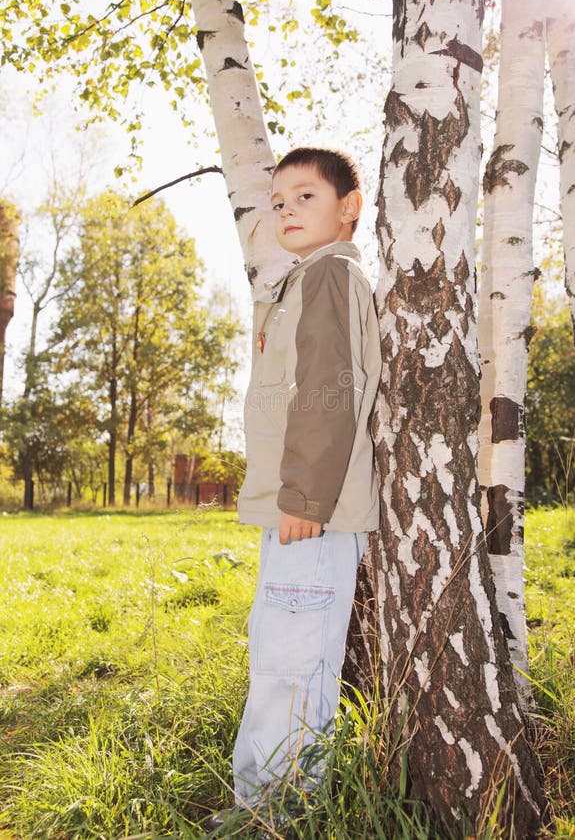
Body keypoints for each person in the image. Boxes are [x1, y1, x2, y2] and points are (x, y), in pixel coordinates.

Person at [212, 147, 381, 826]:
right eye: (278, 202)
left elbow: (327, 392)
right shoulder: (304, 280)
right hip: (297, 509)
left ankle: (279, 814)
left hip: (312, 513)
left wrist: (305, 497)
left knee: (292, 663)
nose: (287, 210)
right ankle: (262, 801)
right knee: (278, 654)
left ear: (349, 207)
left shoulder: (331, 276)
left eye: (305, 196)